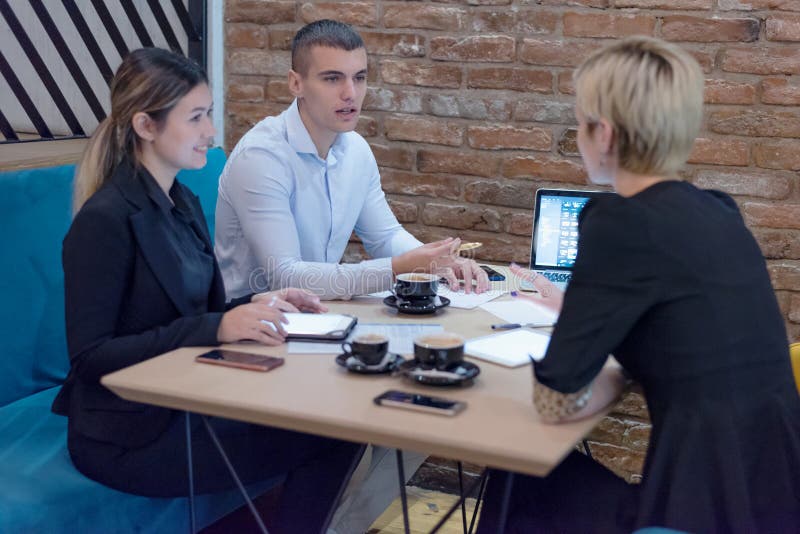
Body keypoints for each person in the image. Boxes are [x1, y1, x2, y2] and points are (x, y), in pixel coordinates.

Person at [476, 37, 800, 533]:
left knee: (515, 475)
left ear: (604, 134)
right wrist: (581, 313)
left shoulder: (617, 222)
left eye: (580, 123)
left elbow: (555, 400)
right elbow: (679, 331)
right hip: (772, 505)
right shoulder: (719, 211)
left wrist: (606, 369)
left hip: (697, 517)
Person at [51, 48, 363, 534]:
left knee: (339, 421)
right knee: (333, 435)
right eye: (196, 118)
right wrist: (219, 323)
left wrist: (256, 304)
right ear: (146, 126)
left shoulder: (182, 201)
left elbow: (200, 311)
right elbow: (91, 358)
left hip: (191, 397)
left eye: (208, 115)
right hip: (128, 435)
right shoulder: (105, 222)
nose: (211, 133)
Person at [214, 19, 489, 301]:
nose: (351, 93)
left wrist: (438, 263)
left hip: (320, 311)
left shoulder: (356, 149)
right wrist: (398, 269)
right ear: (296, 83)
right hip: (250, 316)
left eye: (359, 77)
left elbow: (384, 237)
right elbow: (285, 276)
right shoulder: (261, 156)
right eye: (332, 79)